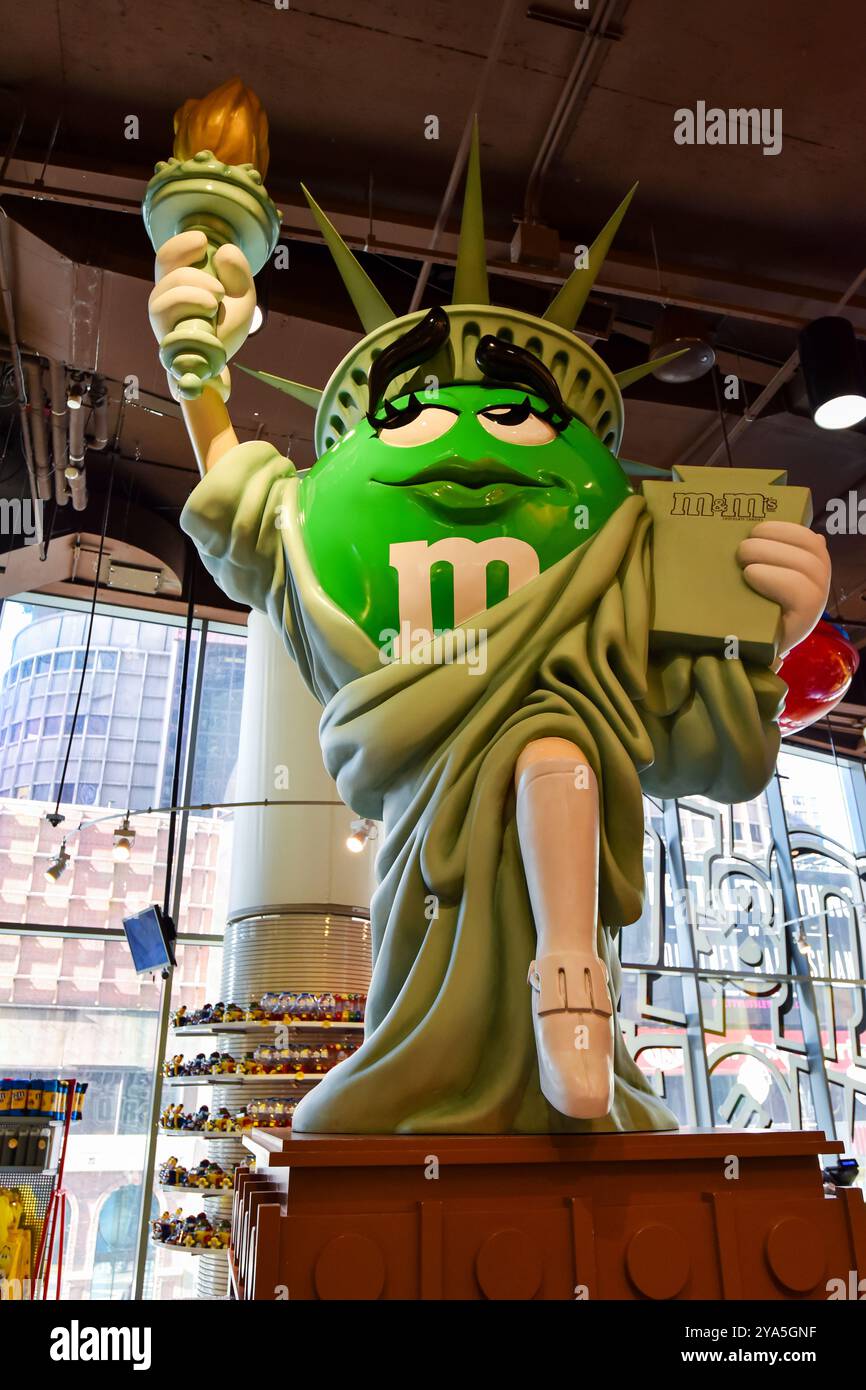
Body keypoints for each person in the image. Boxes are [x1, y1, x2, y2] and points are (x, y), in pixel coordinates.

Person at [148, 138, 829, 1134]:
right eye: (409, 411)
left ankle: (572, 985)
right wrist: (196, 371)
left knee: (553, 734)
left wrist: (767, 618)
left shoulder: (621, 551)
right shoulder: (316, 534)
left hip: (557, 811)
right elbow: (244, 506)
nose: (467, 434)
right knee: (542, 757)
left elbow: (695, 716)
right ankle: (521, 1013)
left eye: (515, 411)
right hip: (423, 864)